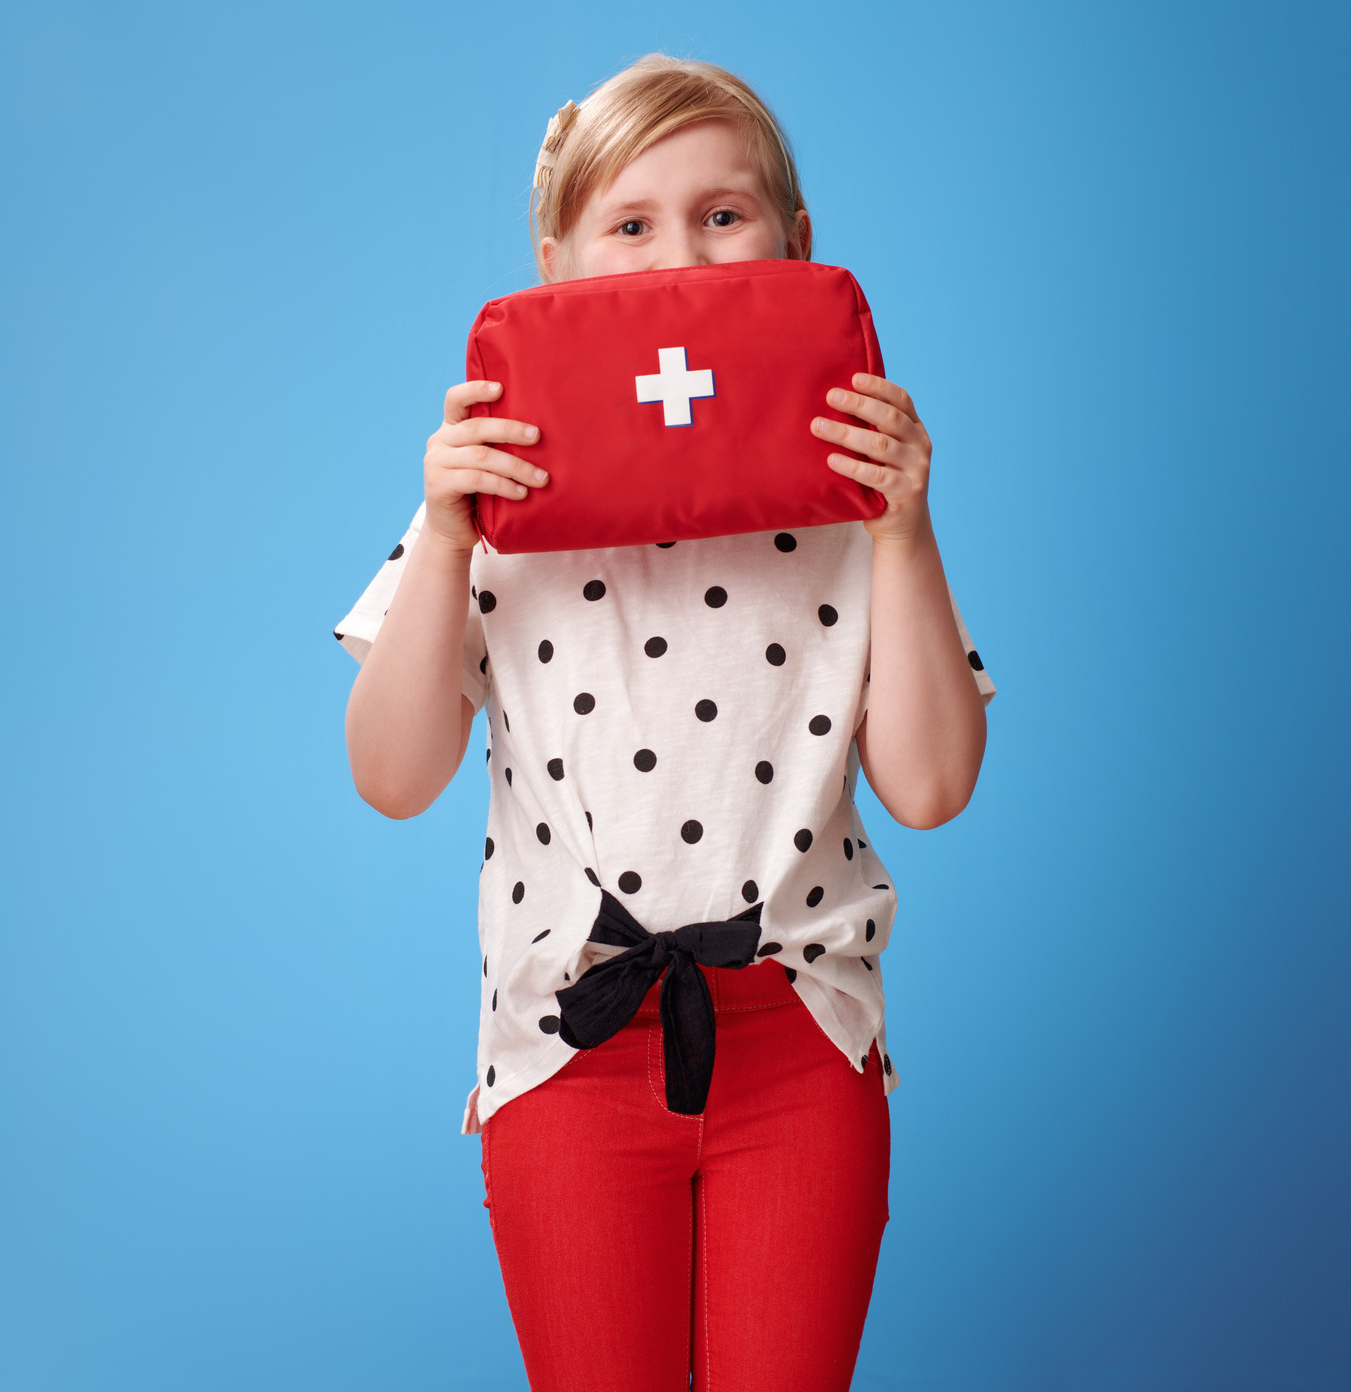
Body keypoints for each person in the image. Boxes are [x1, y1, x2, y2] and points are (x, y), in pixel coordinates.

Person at [336, 54, 992, 1392]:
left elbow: (928, 786)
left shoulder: (848, 504)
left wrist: (907, 530)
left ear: (796, 249)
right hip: (565, 1050)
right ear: (555, 263)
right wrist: (449, 530)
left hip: (799, 1042)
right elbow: (393, 777)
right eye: (629, 225)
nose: (677, 259)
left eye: (722, 216)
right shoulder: (495, 503)